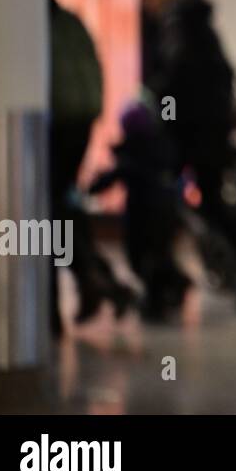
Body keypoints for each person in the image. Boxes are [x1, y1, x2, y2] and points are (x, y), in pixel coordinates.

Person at [141, 0, 236, 311]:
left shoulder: (179, 22)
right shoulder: (196, 22)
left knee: (167, 201)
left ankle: (166, 283)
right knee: (208, 202)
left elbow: (178, 75)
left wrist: (155, 97)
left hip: (189, 132)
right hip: (208, 129)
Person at [47, 0, 135, 330]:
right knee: (62, 206)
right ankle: (95, 279)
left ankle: (82, 287)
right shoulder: (71, 22)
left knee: (49, 212)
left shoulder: (43, 26)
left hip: (55, 127)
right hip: (79, 126)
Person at [89, 100, 192, 322]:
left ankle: (161, 299)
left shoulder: (132, 151)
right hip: (168, 210)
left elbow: (115, 176)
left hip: (143, 213)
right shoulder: (163, 145)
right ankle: (173, 287)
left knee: (141, 258)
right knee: (158, 255)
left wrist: (92, 187)